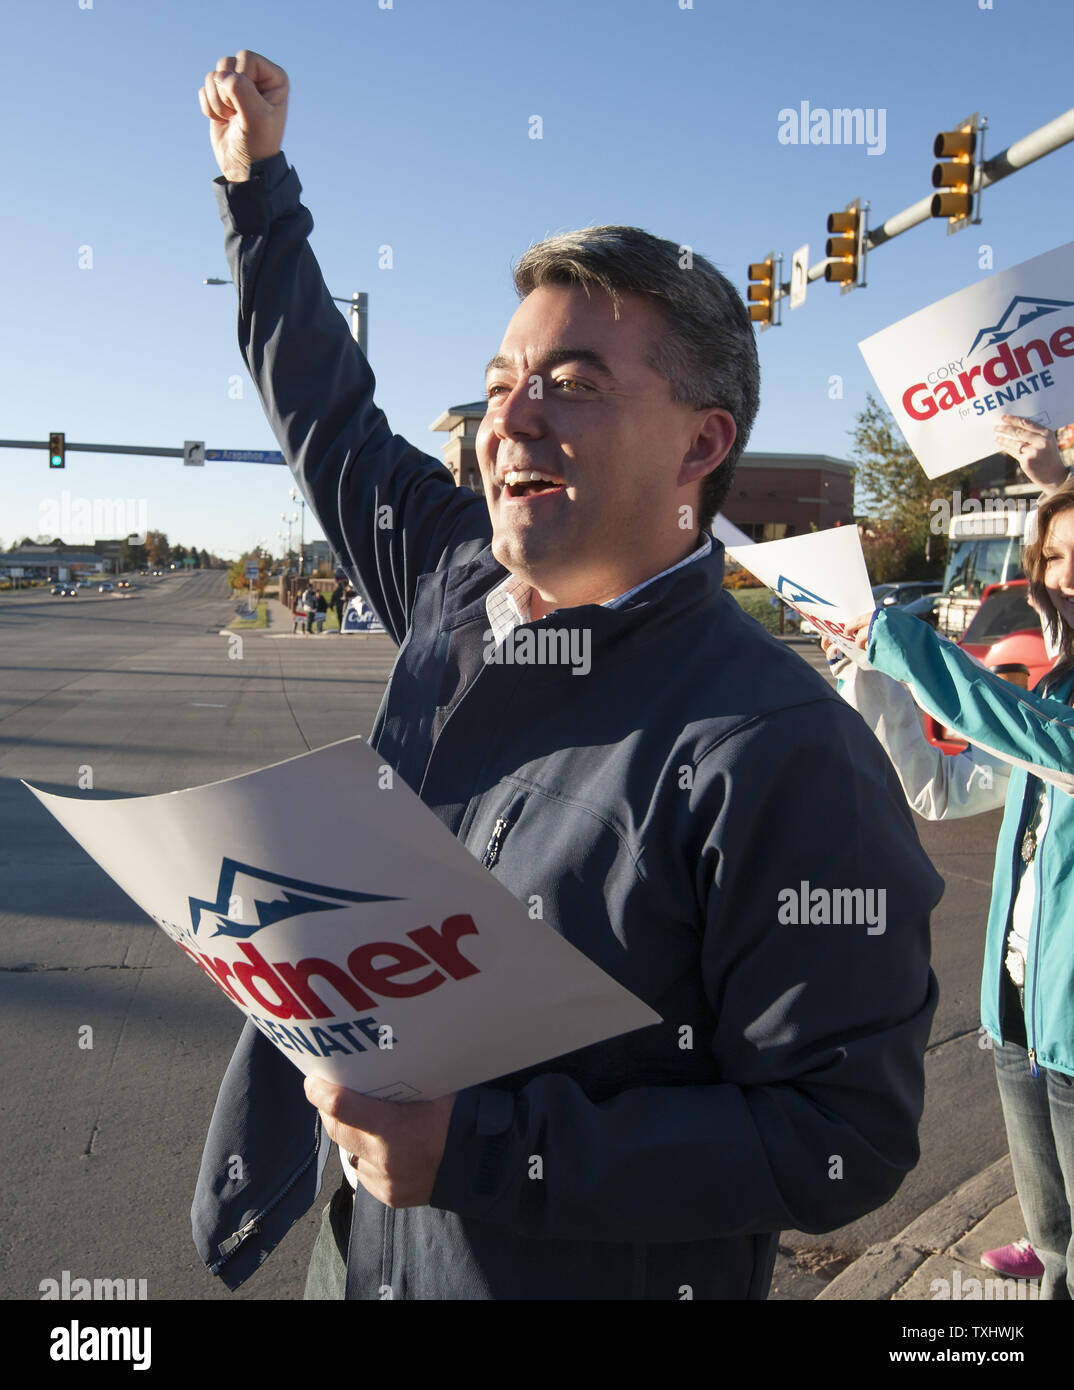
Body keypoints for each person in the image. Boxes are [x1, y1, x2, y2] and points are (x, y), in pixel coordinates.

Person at [192, 49, 943, 1301]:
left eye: (575, 386)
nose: (513, 417)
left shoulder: (783, 751)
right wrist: (257, 186)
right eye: (501, 384)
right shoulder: (452, 583)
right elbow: (326, 411)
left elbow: (841, 1135)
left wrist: (483, 1151)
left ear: (703, 443)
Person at [826, 432, 1074, 1299]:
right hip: (1019, 1023)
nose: (1065, 573)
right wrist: (870, 672)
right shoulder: (1049, 693)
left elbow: (1047, 745)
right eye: (1054, 553)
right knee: (1052, 1246)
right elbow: (942, 789)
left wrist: (899, 642)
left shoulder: (1047, 719)